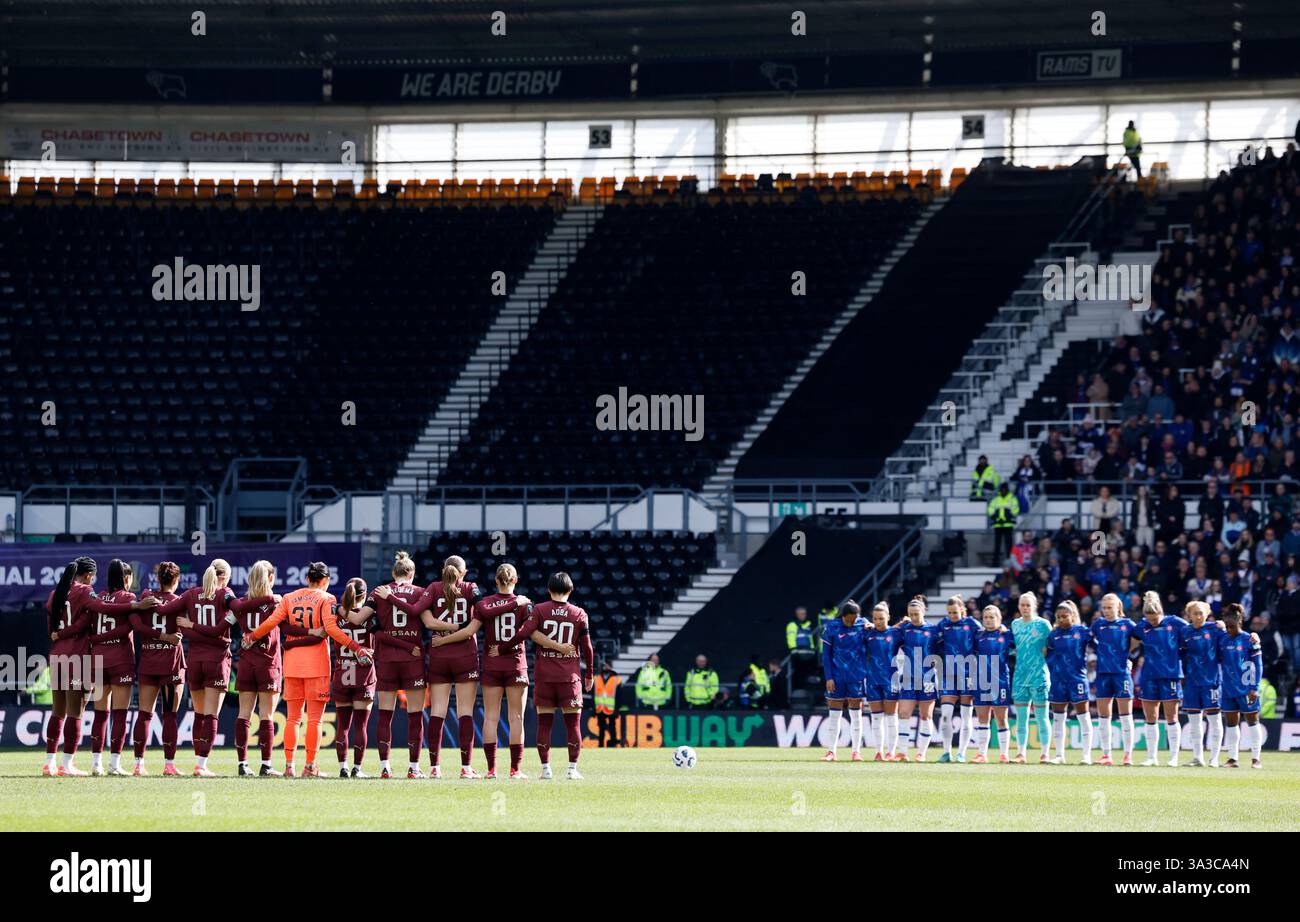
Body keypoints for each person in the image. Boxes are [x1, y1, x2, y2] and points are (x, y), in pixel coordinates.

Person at [429, 563, 565, 778]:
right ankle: (515, 769)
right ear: (515, 580)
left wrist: (443, 641)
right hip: (515, 664)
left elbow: (469, 631)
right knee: (516, 718)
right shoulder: (525, 604)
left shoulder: (485, 605)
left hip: (492, 665)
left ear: (496, 581)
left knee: (490, 718)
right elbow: (532, 633)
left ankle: (491, 770)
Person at [242, 562, 372, 778]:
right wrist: (356, 647)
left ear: (307, 579)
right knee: (314, 720)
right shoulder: (327, 599)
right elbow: (331, 629)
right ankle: (310, 766)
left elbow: (272, 622)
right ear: (326, 581)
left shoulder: (289, 597)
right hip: (316, 665)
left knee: (293, 718)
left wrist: (252, 636)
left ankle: (289, 766)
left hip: (292, 664)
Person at [46, 557, 159, 776]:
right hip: (94, 659)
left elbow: (71, 622)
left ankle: (57, 762)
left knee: (66, 713)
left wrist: (60, 634)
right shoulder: (94, 594)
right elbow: (123, 621)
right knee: (97, 714)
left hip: (73, 657)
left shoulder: (56, 593)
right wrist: (137, 605)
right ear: (89, 575)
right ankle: (102, 764)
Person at [377, 554, 484, 778]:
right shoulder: (470, 587)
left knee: (437, 712)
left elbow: (421, 617)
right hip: (465, 654)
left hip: (439, 656)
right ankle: (465, 768)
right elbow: (482, 611)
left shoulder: (433, 588)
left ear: (444, 569)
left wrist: (443, 638)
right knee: (465, 712)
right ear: (463, 573)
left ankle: (435, 767)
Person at [492, 572, 594, 780]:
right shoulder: (579, 614)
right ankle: (572, 769)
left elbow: (522, 633)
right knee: (573, 724)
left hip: (545, 676)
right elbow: (588, 648)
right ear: (571, 589)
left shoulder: (539, 609)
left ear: (549, 590)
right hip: (570, 678)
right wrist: (590, 674)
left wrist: (502, 648)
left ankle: (546, 770)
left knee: (544, 724)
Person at [149, 558, 244, 776]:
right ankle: (201, 765)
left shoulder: (191, 594)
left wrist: (147, 597)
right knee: (211, 716)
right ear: (225, 577)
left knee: (199, 715)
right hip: (217, 661)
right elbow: (220, 631)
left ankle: (197, 762)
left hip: (195, 660)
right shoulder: (225, 596)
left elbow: (164, 611)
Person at [355, 550, 428, 778]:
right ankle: (414, 768)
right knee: (415, 715)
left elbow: (358, 619)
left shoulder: (378, 593)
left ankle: (385, 766)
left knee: (385, 714)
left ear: (393, 572)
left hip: (386, 659)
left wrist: (338, 609)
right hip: (412, 659)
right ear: (412, 573)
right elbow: (428, 622)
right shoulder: (420, 592)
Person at [86, 559, 141, 776]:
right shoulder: (129, 598)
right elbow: (132, 626)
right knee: (119, 714)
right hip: (120, 660)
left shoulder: (98, 598)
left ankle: (96, 764)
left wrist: (97, 638)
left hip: (98, 660)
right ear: (126, 579)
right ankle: (114, 764)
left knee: (100, 714)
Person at [230, 560, 283, 777]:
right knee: (267, 715)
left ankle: (243, 764)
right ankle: (266, 764)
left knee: (244, 713)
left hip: (246, 663)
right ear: (270, 578)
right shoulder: (275, 603)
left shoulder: (242, 603)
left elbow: (226, 622)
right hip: (268, 662)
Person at [1133, 590, 1188, 767]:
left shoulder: (1176, 623)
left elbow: (1194, 632)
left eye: (1155, 618)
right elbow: (1131, 641)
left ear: (1161, 612)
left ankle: (1173, 757)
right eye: (1149, 619)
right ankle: (1152, 757)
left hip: (1171, 675)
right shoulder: (1142, 626)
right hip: (1149, 675)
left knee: (1172, 717)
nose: (1152, 622)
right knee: (1151, 717)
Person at [333, 577, 377, 778]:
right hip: (363, 672)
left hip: (342, 671)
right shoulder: (370, 614)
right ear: (364, 594)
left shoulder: (337, 615)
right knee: (360, 725)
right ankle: (357, 769)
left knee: (342, 725)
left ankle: (342, 767)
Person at [1090, 593, 1139, 766]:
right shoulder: (1098, 625)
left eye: (1110, 607)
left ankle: (1128, 755)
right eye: (1104, 608)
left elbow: (1139, 639)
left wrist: (1128, 656)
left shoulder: (1128, 624)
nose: (1107, 611)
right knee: (1104, 716)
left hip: (1121, 674)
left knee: (1126, 715)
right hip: (1103, 673)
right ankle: (1106, 754)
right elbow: (1090, 640)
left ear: (1118, 607)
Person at [1045, 600, 1093, 765]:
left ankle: (1086, 755)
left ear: (1073, 615)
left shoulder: (1082, 632)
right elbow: (1047, 654)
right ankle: (1059, 755)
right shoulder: (1053, 635)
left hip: (1077, 679)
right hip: (1058, 680)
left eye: (1064, 616)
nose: (1061, 620)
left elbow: (1100, 647)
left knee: (1083, 717)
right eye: (1058, 617)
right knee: (1058, 718)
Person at [820, 601, 868, 762]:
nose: (851, 622)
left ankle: (856, 751)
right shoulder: (831, 627)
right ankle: (831, 751)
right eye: (849, 620)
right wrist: (829, 677)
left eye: (854, 619)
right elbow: (825, 655)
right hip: (837, 676)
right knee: (834, 716)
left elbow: (880, 629)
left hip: (856, 677)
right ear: (843, 616)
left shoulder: (863, 624)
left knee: (856, 715)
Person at [936, 594, 981, 763]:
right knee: (946, 715)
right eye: (949, 613)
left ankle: (961, 753)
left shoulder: (972, 624)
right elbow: (931, 638)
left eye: (955, 612)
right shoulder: (943, 625)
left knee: (966, 716)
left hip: (968, 674)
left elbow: (984, 639)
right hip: (948, 675)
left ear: (963, 610)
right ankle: (946, 752)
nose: (952, 616)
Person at [1218, 603, 1264, 769]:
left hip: (1246, 689)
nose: (1229, 630)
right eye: (1227, 627)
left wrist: (1255, 688)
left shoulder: (1249, 639)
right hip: (1228, 688)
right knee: (1231, 723)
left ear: (1240, 623)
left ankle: (1256, 758)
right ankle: (1232, 758)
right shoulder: (1222, 639)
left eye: (1232, 627)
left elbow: (1258, 665)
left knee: (1252, 721)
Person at [1010, 592, 1053, 764]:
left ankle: (1045, 754)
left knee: (1042, 717)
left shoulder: (1043, 625)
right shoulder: (1015, 625)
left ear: (1034, 606)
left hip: (1038, 676)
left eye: (1028, 605)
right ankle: (1021, 753)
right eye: (1022, 605)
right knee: (1021, 718)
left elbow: (1051, 647)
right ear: (1019, 606)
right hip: (1020, 676)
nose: (1025, 608)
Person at [895, 596, 939, 761]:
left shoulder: (933, 630)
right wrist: (898, 624)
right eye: (910, 614)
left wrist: (937, 657)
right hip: (908, 677)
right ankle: (903, 752)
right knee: (904, 713)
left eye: (916, 614)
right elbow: (887, 632)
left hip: (927, 677)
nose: (913, 617)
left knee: (925, 716)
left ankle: (921, 753)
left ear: (923, 612)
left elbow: (943, 647)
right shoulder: (904, 629)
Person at [1180, 601, 1223, 768]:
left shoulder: (1216, 629)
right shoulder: (1185, 631)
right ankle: (1198, 757)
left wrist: (1253, 636)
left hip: (1211, 681)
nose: (1198, 616)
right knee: (1195, 721)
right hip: (1191, 682)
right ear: (1189, 616)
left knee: (1215, 720)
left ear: (1207, 614)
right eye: (1194, 613)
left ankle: (1214, 758)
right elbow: (1181, 654)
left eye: (1201, 613)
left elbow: (1231, 639)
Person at [971, 605, 1016, 764]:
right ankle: (981, 754)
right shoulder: (977, 636)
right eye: (986, 617)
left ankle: (1004, 754)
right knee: (982, 718)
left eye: (992, 617)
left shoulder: (1007, 635)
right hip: (981, 679)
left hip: (1000, 680)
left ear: (999, 619)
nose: (989, 620)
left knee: (1001, 719)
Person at [863, 602, 903, 761]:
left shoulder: (896, 633)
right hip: (872, 679)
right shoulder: (868, 633)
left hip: (891, 679)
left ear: (888, 617)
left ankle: (891, 752)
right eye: (875, 618)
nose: (878, 621)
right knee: (876, 717)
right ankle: (878, 751)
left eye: (881, 618)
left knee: (891, 717)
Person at [988, 482, 1020, 563]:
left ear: (1007, 490)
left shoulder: (1012, 498)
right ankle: (995, 562)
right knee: (997, 544)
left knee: (1008, 544)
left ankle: (1010, 561)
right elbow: (990, 509)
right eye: (1002, 489)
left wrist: (1008, 514)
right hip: (998, 524)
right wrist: (994, 515)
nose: (1003, 491)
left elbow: (1015, 510)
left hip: (1008, 524)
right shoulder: (996, 499)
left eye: (1004, 489)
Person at [786, 606, 817, 688]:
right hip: (798, 656)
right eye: (801, 614)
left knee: (807, 675)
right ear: (797, 615)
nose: (803, 615)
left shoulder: (807, 625)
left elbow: (810, 639)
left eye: (804, 614)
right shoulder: (792, 625)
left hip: (808, 656)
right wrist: (794, 651)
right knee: (798, 675)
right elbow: (791, 639)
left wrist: (813, 650)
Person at [594, 662, 622, 749]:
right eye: (604, 665)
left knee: (612, 727)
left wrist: (617, 709)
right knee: (601, 728)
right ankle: (601, 745)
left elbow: (619, 696)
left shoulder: (616, 679)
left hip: (611, 708)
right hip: (600, 708)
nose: (605, 667)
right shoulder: (596, 678)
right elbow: (593, 694)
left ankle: (613, 744)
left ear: (611, 667)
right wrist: (593, 708)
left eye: (607, 665)